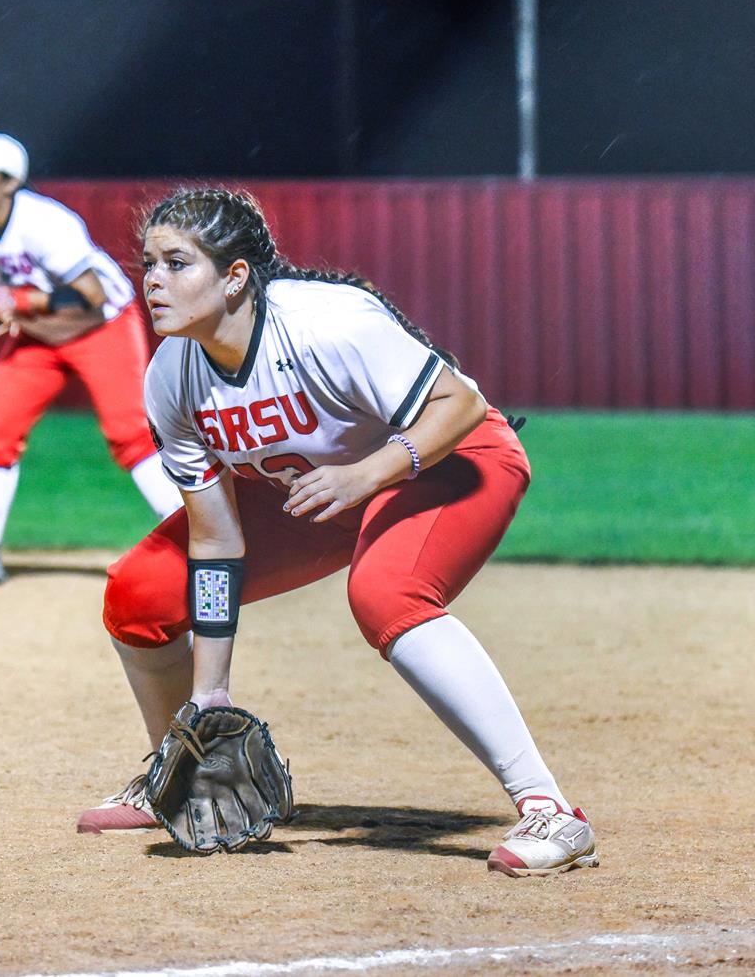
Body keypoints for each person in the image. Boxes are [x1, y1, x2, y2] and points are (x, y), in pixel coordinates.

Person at [75, 188, 597, 877]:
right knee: (141, 591)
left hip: (451, 458)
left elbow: (460, 403)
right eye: (149, 263)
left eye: (176, 262)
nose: (153, 281)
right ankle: (181, 779)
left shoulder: (326, 323)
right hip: (325, 492)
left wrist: (367, 474)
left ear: (235, 277)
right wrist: (211, 693)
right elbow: (215, 541)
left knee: (387, 593)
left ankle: (551, 809)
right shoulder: (172, 376)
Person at [0, 133, 182, 587]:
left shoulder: (44, 222)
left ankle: (199, 546)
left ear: (9, 182)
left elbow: (91, 296)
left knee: (131, 435)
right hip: (40, 338)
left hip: (100, 326)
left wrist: (15, 299)